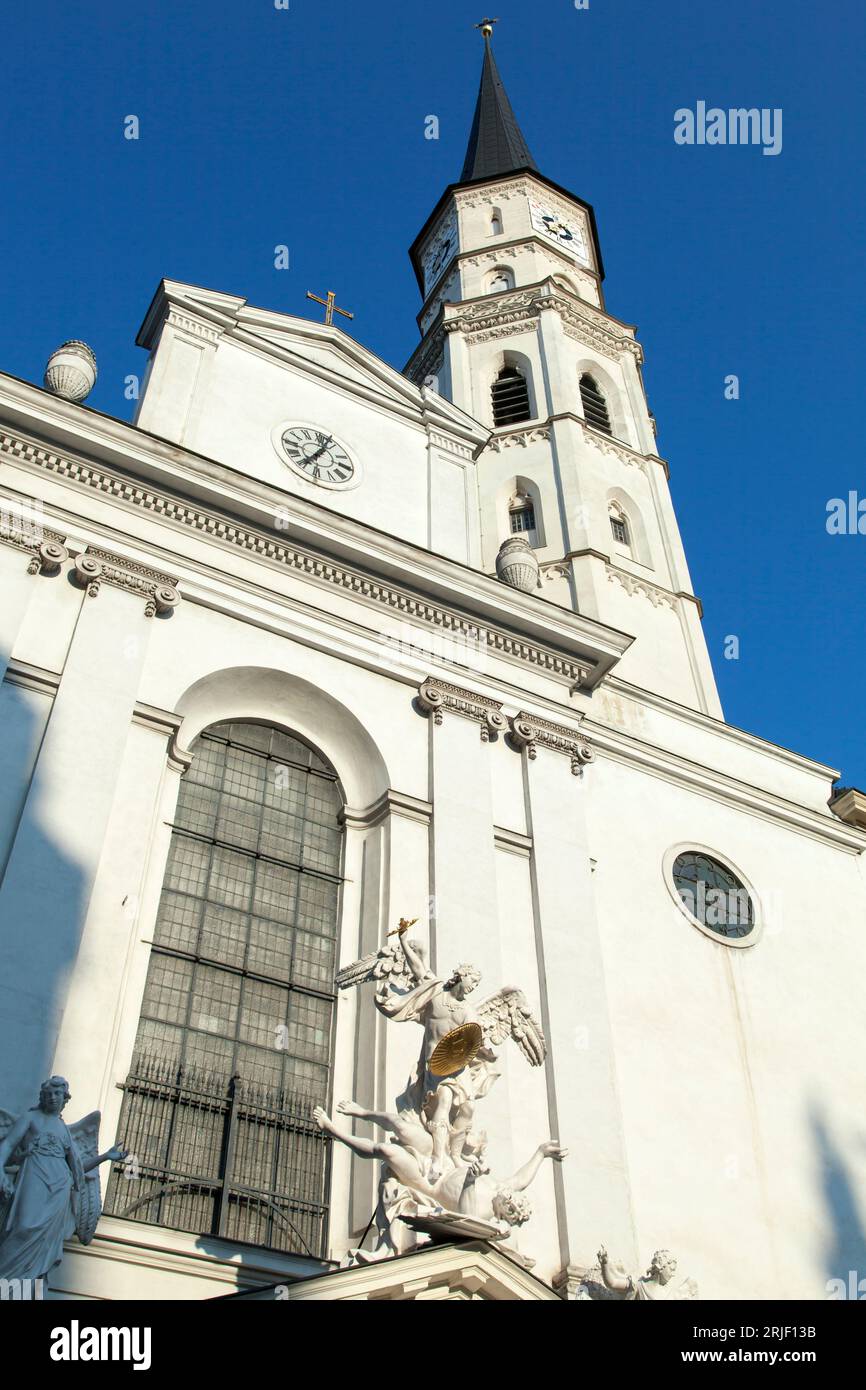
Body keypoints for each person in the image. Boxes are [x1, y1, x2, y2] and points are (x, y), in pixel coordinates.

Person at [0, 1076, 125, 1283]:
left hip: (59, 1186)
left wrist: (104, 1157)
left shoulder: (63, 1129)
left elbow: (77, 1168)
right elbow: (7, 1145)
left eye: (58, 1094)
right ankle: (5, 1280)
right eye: (48, 1094)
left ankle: (28, 1285)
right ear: (43, 1096)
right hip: (34, 1177)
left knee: (45, 1238)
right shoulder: (31, 1118)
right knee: (24, 1227)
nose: (52, 1098)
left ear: (64, 1098)